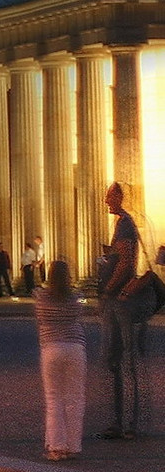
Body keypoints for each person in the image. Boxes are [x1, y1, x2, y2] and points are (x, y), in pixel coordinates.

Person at [98, 182, 144, 440]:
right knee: (119, 361)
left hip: (120, 300)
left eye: (109, 196)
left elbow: (126, 262)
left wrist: (108, 290)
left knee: (120, 361)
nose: (106, 201)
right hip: (119, 299)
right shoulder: (124, 223)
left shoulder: (124, 223)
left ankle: (125, 423)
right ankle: (122, 422)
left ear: (119, 196)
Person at [35, 259, 85, 461]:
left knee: (54, 399)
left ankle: (56, 446)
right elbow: (82, 309)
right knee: (75, 398)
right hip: (75, 347)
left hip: (51, 347)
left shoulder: (39, 296)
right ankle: (73, 445)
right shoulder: (77, 298)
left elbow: (39, 318)